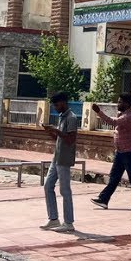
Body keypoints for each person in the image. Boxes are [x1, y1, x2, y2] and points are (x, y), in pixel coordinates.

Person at [89, 93, 131, 210]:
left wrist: (98, 112)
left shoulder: (128, 117)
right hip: (121, 152)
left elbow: (112, 122)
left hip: (128, 152)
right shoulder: (123, 114)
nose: (118, 104)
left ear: (126, 103)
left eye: (120, 102)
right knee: (114, 176)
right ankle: (104, 199)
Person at [40, 92, 78, 232]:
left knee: (65, 190)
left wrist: (57, 131)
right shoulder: (62, 117)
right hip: (56, 157)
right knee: (48, 186)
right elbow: (59, 140)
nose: (55, 107)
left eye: (56, 105)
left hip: (64, 159)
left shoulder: (71, 118)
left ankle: (69, 222)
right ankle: (54, 219)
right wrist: (51, 132)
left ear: (63, 102)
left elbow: (70, 139)